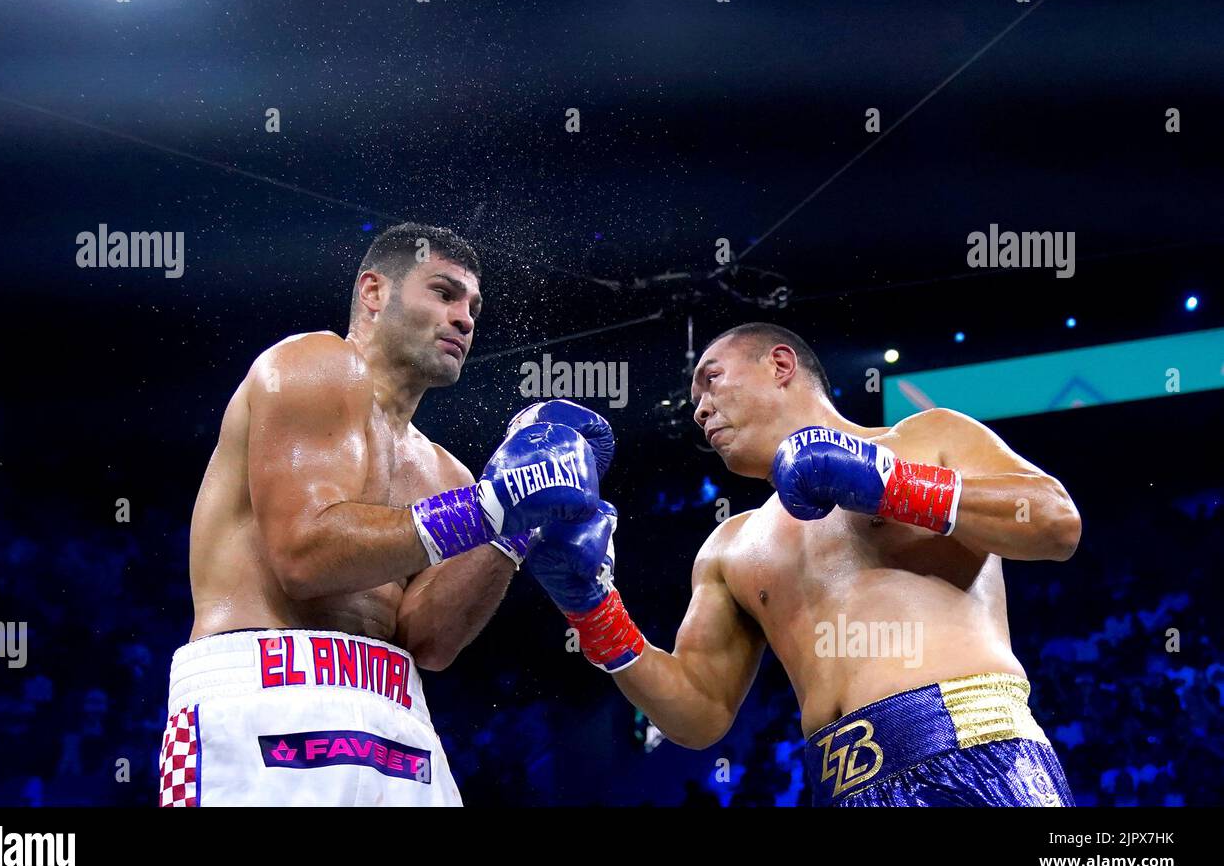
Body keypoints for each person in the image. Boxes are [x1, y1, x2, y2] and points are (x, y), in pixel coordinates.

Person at [525, 321, 1081, 806]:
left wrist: (890, 484)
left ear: (780, 365)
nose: (698, 408)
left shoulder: (925, 436)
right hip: (835, 785)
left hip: (974, 753)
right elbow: (699, 714)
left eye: (710, 378)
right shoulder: (730, 547)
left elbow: (1056, 525)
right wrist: (594, 611)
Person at [160, 223, 604, 806]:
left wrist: (517, 529)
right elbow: (303, 556)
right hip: (265, 694)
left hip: (398, 715)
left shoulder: (450, 478)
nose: (465, 319)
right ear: (374, 292)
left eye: (473, 306)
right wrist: (493, 506)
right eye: (444, 294)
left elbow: (431, 644)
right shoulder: (310, 364)